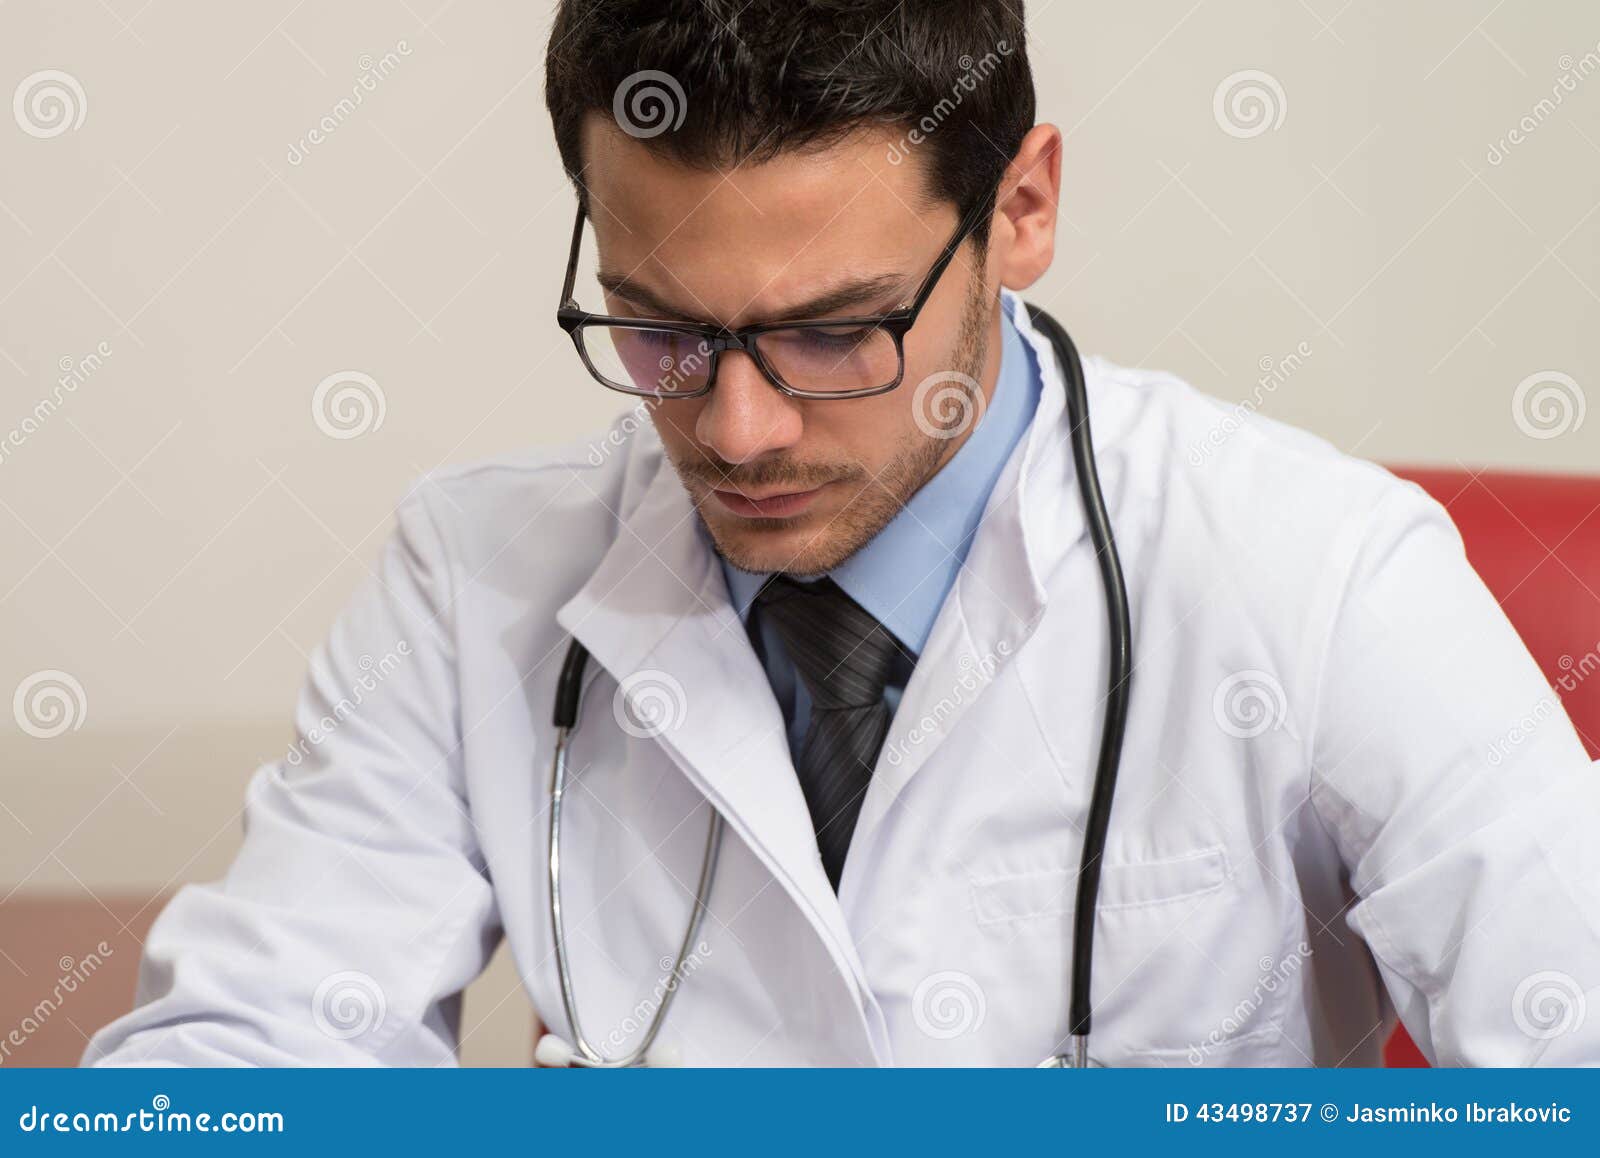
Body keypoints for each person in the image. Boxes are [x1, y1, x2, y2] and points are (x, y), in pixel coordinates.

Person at [85, 0, 1599, 1067]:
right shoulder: (473, 575)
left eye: (834, 333)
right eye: (661, 327)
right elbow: (246, 1052)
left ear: (1021, 208)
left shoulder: (1321, 569)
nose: (737, 433)